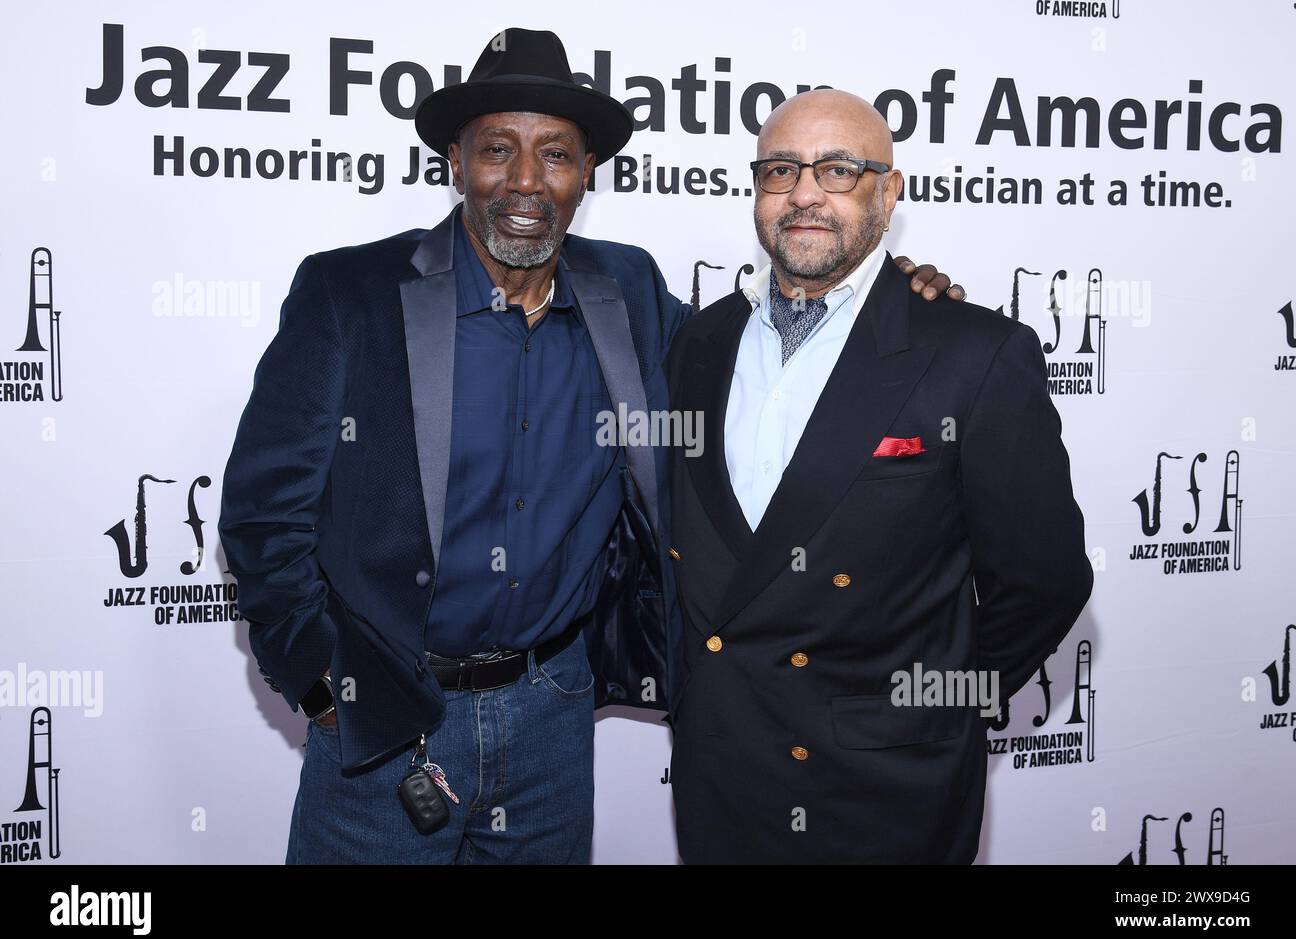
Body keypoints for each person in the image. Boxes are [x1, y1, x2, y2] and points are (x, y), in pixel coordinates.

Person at [218, 28, 958, 864]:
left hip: (554, 714)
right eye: (497, 149)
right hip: (389, 717)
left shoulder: (628, 290)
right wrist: (325, 687)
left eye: (556, 155)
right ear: (456, 163)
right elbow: (261, 516)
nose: (526, 180)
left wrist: (887, 295)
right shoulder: (350, 292)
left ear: (587, 173)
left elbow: (759, 355)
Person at [664, 89, 1093, 864]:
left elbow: (1045, 581)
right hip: (720, 774)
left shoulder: (973, 352)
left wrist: (931, 709)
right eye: (780, 170)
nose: (804, 193)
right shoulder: (701, 340)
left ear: (888, 193)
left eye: (837, 170)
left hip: (883, 793)